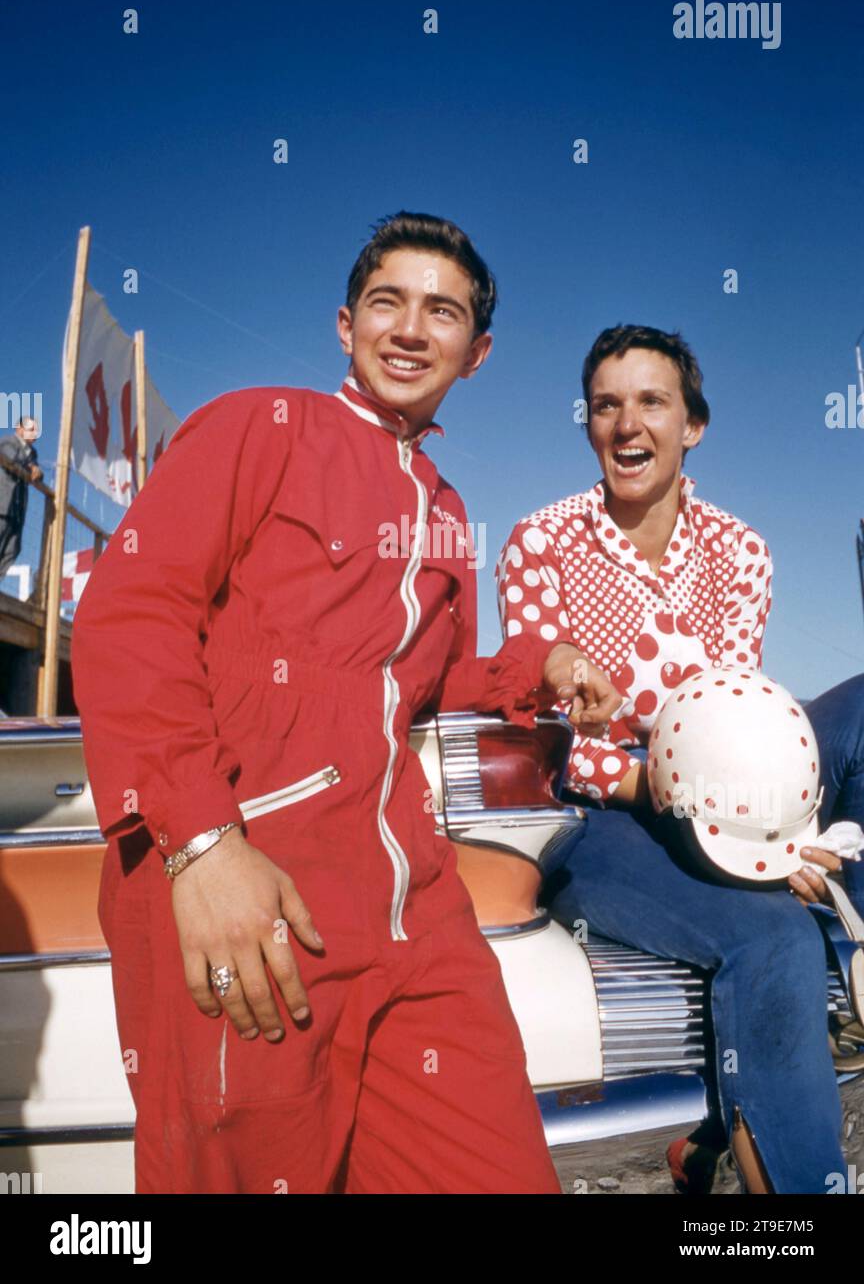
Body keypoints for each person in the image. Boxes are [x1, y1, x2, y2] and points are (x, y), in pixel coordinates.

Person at [71, 212, 608, 1196]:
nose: (409, 328)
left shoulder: (448, 513)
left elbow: (416, 679)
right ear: (345, 324)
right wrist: (200, 844)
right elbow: (129, 617)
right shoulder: (255, 424)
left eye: (440, 311)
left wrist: (534, 669)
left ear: (475, 352)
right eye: (385, 302)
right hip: (248, 885)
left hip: (414, 913)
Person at [496, 323, 864, 1195]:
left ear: (692, 423)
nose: (628, 425)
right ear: (588, 424)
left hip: (721, 793)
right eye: (606, 405)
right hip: (605, 813)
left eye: (652, 402)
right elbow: (550, 736)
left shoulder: (742, 551)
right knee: (770, 934)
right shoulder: (540, 541)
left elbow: (741, 721)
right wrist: (654, 788)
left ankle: (856, 944)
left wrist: (783, 829)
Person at [0, 416, 42, 582]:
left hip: (18, 509)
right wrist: (31, 467)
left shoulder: (33, 453)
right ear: (19, 429)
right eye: (31, 429)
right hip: (3, 504)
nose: (35, 434)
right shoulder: (7, 442)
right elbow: (12, 461)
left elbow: (38, 475)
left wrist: (36, 470)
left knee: (12, 549)